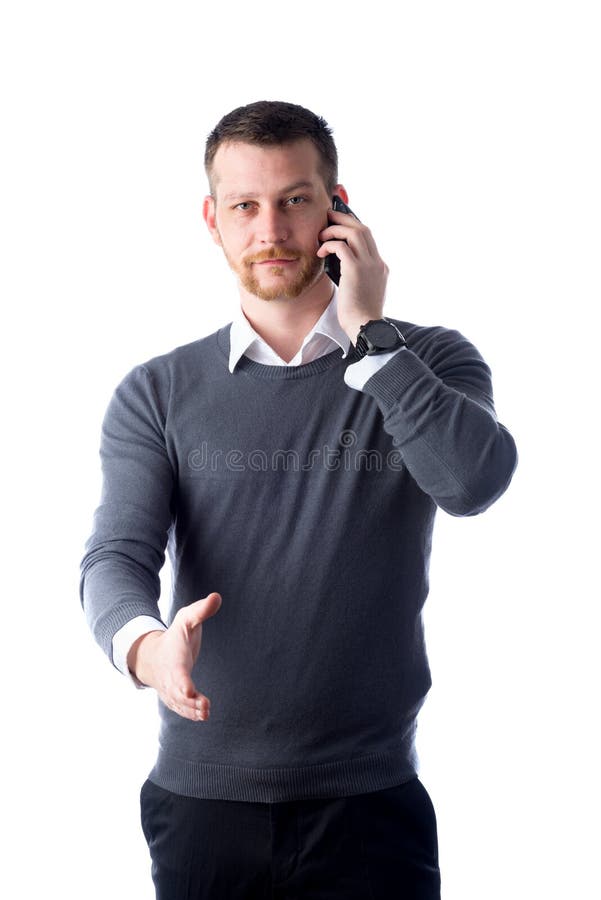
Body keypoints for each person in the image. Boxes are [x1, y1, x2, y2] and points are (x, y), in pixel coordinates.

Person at [80, 100, 517, 899]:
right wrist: (148, 649)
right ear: (213, 220)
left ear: (336, 208)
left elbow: (472, 484)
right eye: (245, 205)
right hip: (202, 802)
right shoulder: (157, 391)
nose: (269, 229)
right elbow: (116, 556)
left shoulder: (427, 361)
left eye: (293, 199)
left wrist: (373, 337)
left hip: (370, 803)